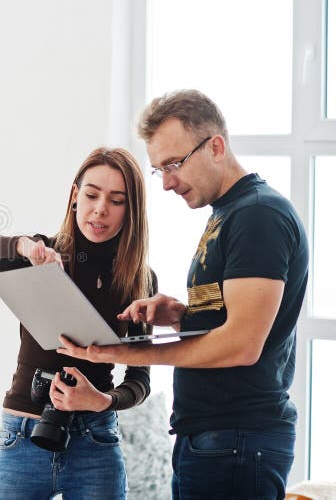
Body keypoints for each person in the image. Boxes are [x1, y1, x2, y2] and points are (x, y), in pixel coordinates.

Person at [57, 90, 308, 500]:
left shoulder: (258, 216)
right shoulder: (228, 215)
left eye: (174, 164)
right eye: (160, 170)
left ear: (216, 146)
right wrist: (178, 314)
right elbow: (229, 319)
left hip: (237, 440)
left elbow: (242, 344)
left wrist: (119, 353)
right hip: (214, 439)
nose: (168, 182)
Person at [0, 147, 156, 500]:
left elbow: (140, 379)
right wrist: (22, 245)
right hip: (22, 433)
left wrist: (103, 401)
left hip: (96, 439)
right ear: (75, 197)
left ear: (132, 210)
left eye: (116, 200)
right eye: (92, 195)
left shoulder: (140, 280)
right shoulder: (42, 255)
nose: (100, 209)